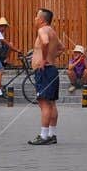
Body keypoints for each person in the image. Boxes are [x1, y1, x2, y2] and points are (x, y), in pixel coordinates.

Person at [28, 7, 62, 146]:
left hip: (45, 71)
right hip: (52, 69)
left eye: (36, 17)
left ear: (42, 19)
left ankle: (43, 135)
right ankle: (51, 134)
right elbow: (62, 48)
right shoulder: (53, 31)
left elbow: (46, 42)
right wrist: (51, 57)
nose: (35, 19)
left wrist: (43, 59)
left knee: (44, 103)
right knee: (52, 103)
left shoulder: (43, 30)